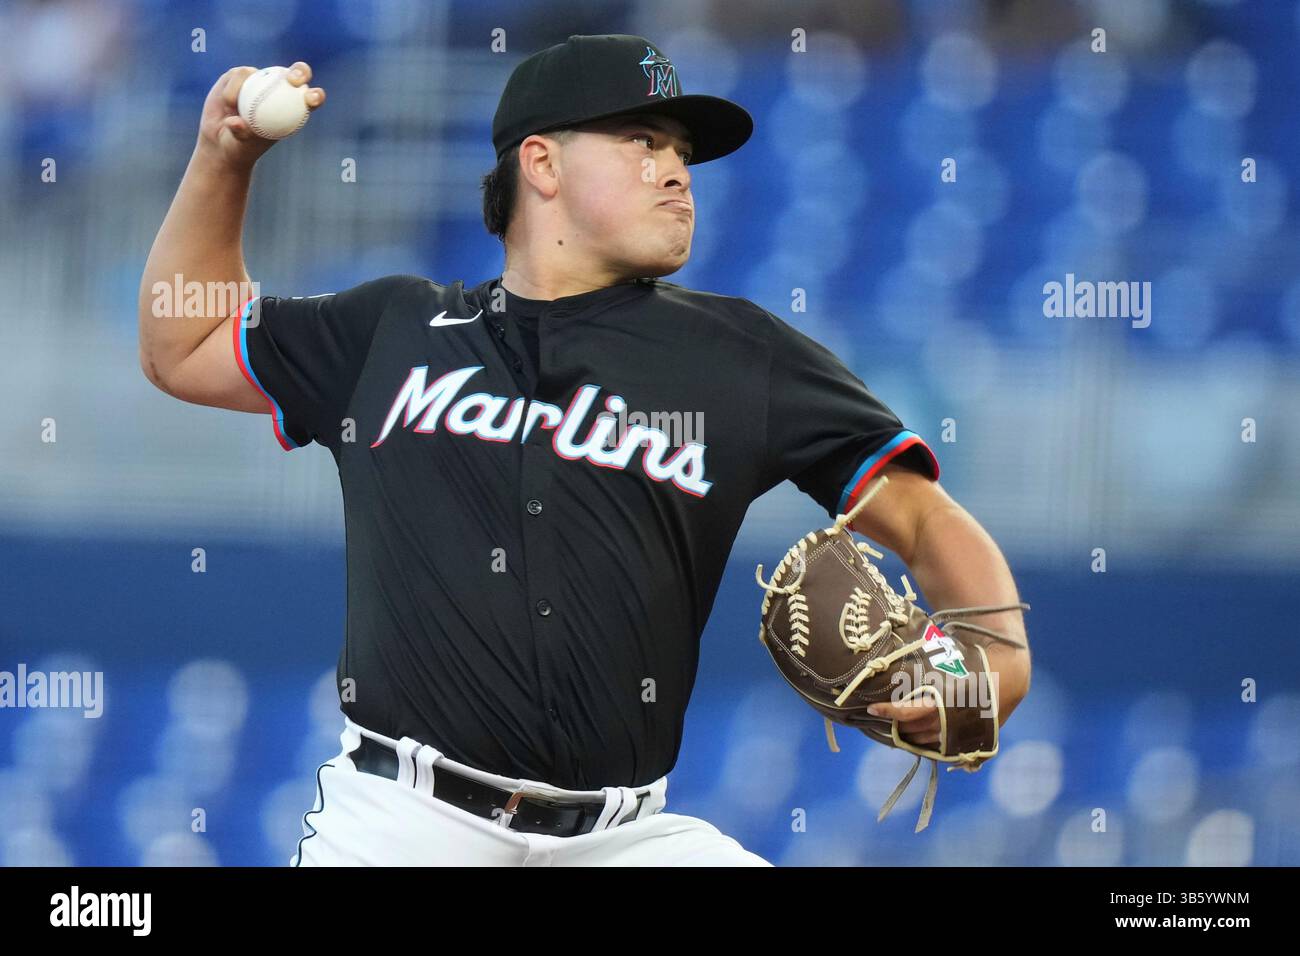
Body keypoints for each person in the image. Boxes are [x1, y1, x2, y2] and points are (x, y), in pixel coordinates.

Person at [137, 33, 1031, 866]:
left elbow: (918, 515)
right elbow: (182, 342)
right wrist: (227, 157)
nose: (677, 172)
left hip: (626, 837)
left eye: (683, 154)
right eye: (644, 141)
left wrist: (998, 664)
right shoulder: (394, 329)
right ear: (542, 162)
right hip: (404, 824)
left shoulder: (740, 355)